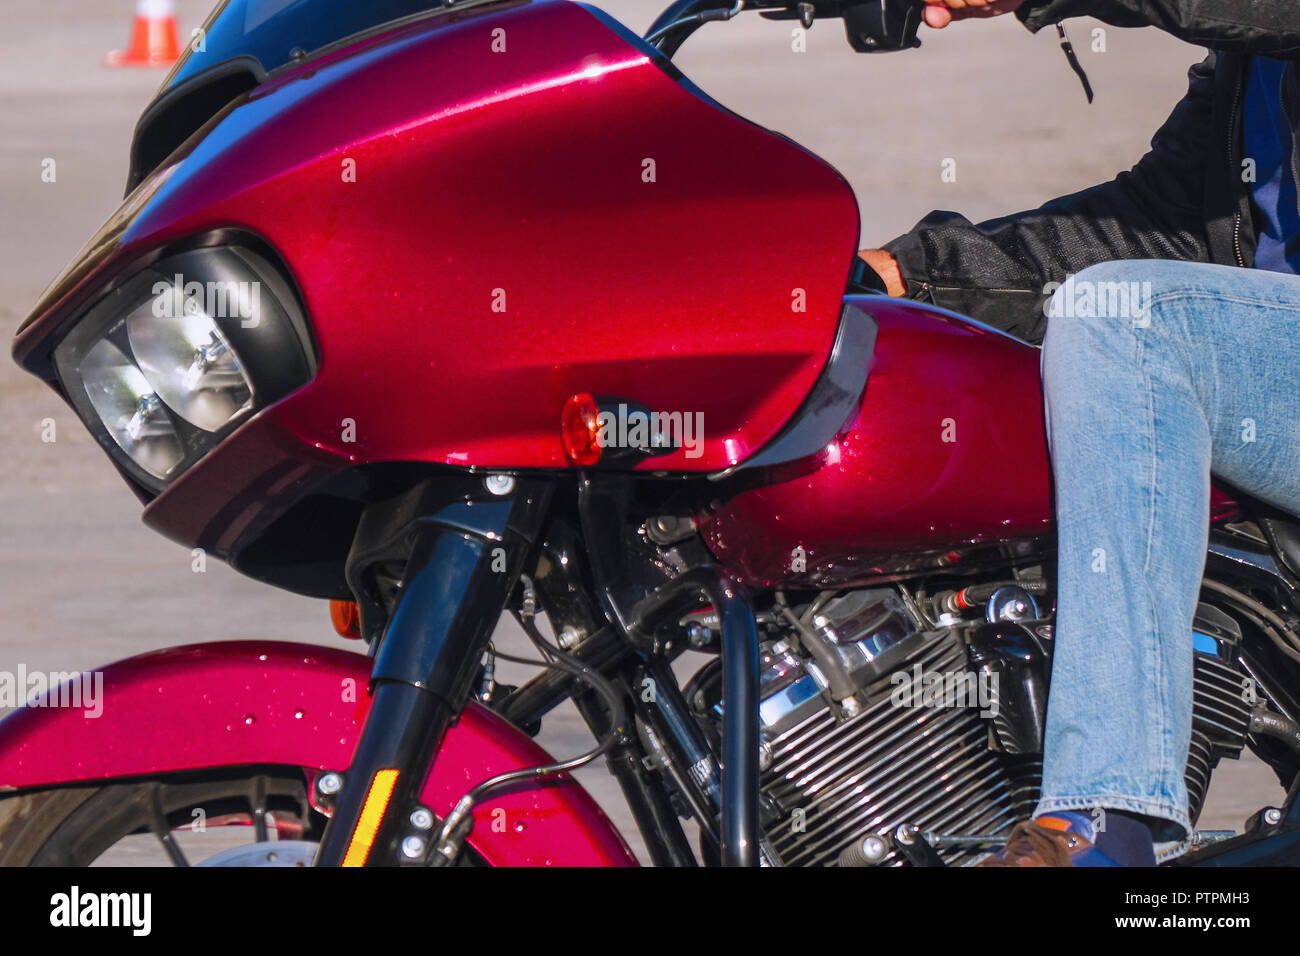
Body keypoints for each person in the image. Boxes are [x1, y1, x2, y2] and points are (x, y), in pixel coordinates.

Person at [859, 0, 1300, 866]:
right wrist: (908, 277)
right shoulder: (1256, 76)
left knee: (1128, 319)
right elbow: (1152, 222)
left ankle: (1109, 813)